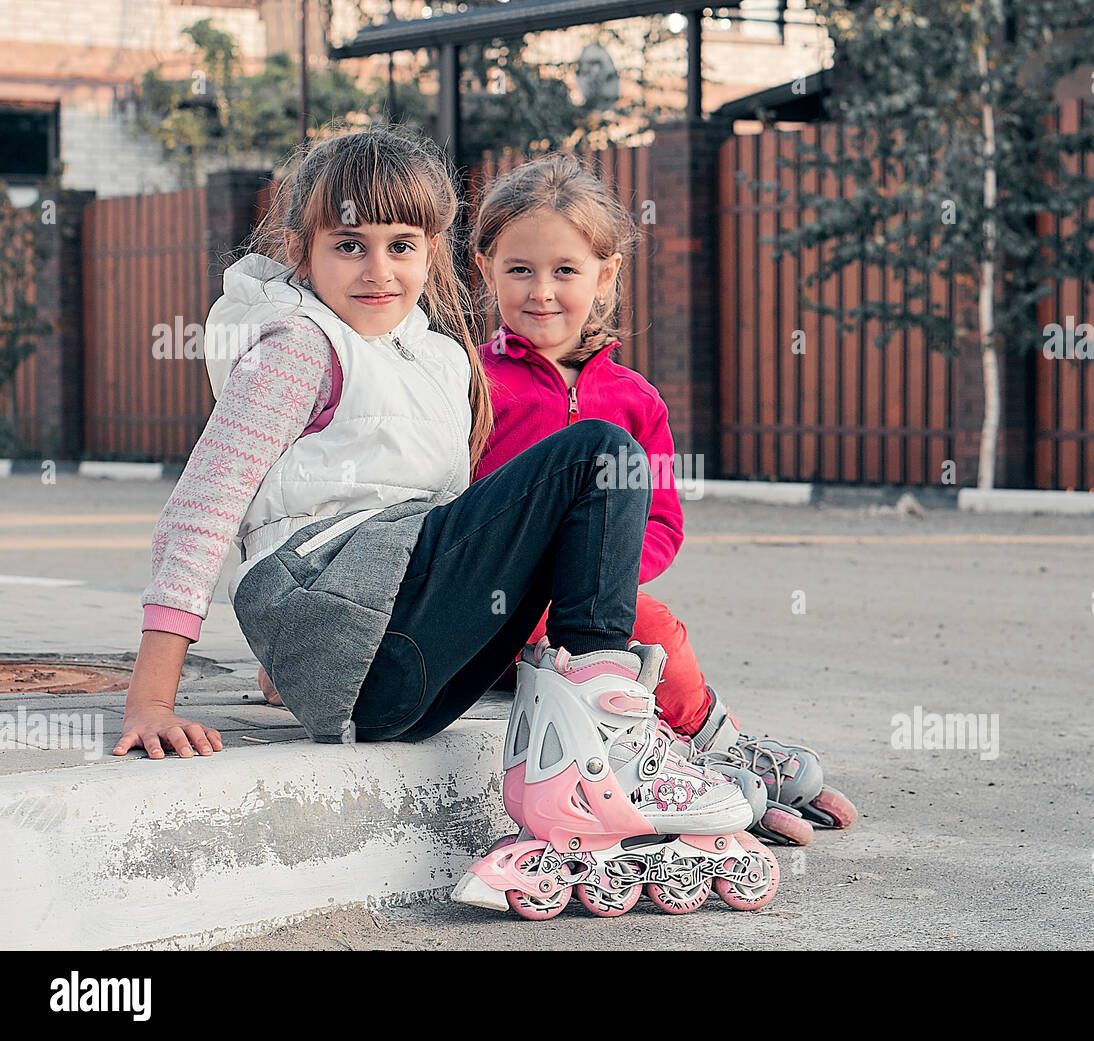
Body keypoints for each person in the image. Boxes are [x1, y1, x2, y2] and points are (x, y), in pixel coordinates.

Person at [113, 129, 768, 918]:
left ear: (434, 252)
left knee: (599, 483)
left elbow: (466, 529)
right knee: (597, 452)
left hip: (413, 667)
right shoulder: (297, 346)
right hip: (356, 626)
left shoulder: (438, 360)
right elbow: (206, 505)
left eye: (402, 245)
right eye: (349, 244)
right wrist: (152, 697)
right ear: (300, 249)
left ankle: (599, 743)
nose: (378, 270)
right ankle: (606, 748)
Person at [468, 153, 858, 844]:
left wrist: (593, 575)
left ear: (607, 273)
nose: (542, 291)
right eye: (519, 269)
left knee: (654, 625)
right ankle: (695, 768)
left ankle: (724, 749)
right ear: (486, 267)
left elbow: (662, 523)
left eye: (565, 270)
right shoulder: (470, 383)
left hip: (590, 616)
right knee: (629, 637)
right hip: (489, 615)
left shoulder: (636, 399)